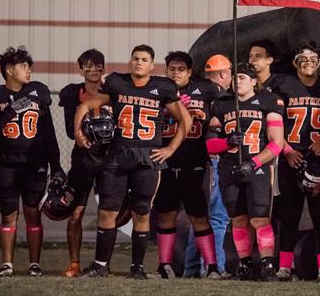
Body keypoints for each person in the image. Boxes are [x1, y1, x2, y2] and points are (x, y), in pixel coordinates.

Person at [75, 44, 191, 279]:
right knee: (107, 211)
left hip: (147, 157)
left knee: (142, 213)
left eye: (144, 59)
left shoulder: (163, 87)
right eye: (135, 58)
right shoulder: (118, 83)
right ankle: (100, 265)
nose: (139, 62)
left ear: (151, 65)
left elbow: (183, 121)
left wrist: (170, 149)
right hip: (117, 154)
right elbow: (86, 105)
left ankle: (137, 268)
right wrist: (79, 134)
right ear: (131, 61)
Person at [0, 46, 64, 277]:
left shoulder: (37, 90)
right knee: (8, 214)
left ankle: (34, 263)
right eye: (23, 66)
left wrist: (56, 166)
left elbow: (49, 134)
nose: (29, 71)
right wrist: (12, 109)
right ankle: (7, 264)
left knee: (32, 213)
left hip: (34, 163)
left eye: (29, 66)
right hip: (6, 163)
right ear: (9, 70)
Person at [206, 63, 286, 281]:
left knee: (260, 219)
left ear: (253, 81)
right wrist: (226, 142)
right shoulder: (222, 105)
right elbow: (210, 144)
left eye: (243, 77)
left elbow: (276, 143)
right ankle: (244, 264)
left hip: (257, 168)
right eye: (235, 77)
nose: (238, 80)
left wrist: (254, 163)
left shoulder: (267, 102)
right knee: (238, 220)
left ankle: (268, 264)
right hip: (229, 167)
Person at [275, 40, 320, 282]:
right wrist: (287, 150)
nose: (308, 64)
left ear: (319, 63)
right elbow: (274, 123)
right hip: (291, 156)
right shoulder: (283, 84)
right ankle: (284, 267)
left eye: (313, 60)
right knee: (289, 213)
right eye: (303, 60)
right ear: (295, 63)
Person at [154, 51, 222, 279]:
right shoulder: (158, 90)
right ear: (166, 70)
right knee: (166, 214)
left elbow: (224, 107)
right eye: (172, 68)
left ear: (190, 72)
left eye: (181, 69)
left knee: (199, 215)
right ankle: (164, 265)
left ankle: (212, 267)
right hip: (164, 161)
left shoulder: (205, 90)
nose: (176, 73)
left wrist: (216, 122)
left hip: (194, 162)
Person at [57, 49, 107, 277]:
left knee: (111, 215)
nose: (93, 70)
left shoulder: (113, 93)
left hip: (108, 162)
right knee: (76, 213)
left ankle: (102, 263)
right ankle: (74, 263)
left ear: (103, 68)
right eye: (88, 66)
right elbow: (70, 131)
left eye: (98, 65)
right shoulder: (71, 94)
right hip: (83, 161)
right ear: (81, 69)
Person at [183, 54, 233, 279]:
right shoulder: (216, 94)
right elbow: (213, 136)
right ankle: (215, 267)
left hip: (195, 160)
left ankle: (191, 268)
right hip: (213, 159)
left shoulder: (194, 90)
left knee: (199, 219)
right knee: (218, 217)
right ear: (224, 74)